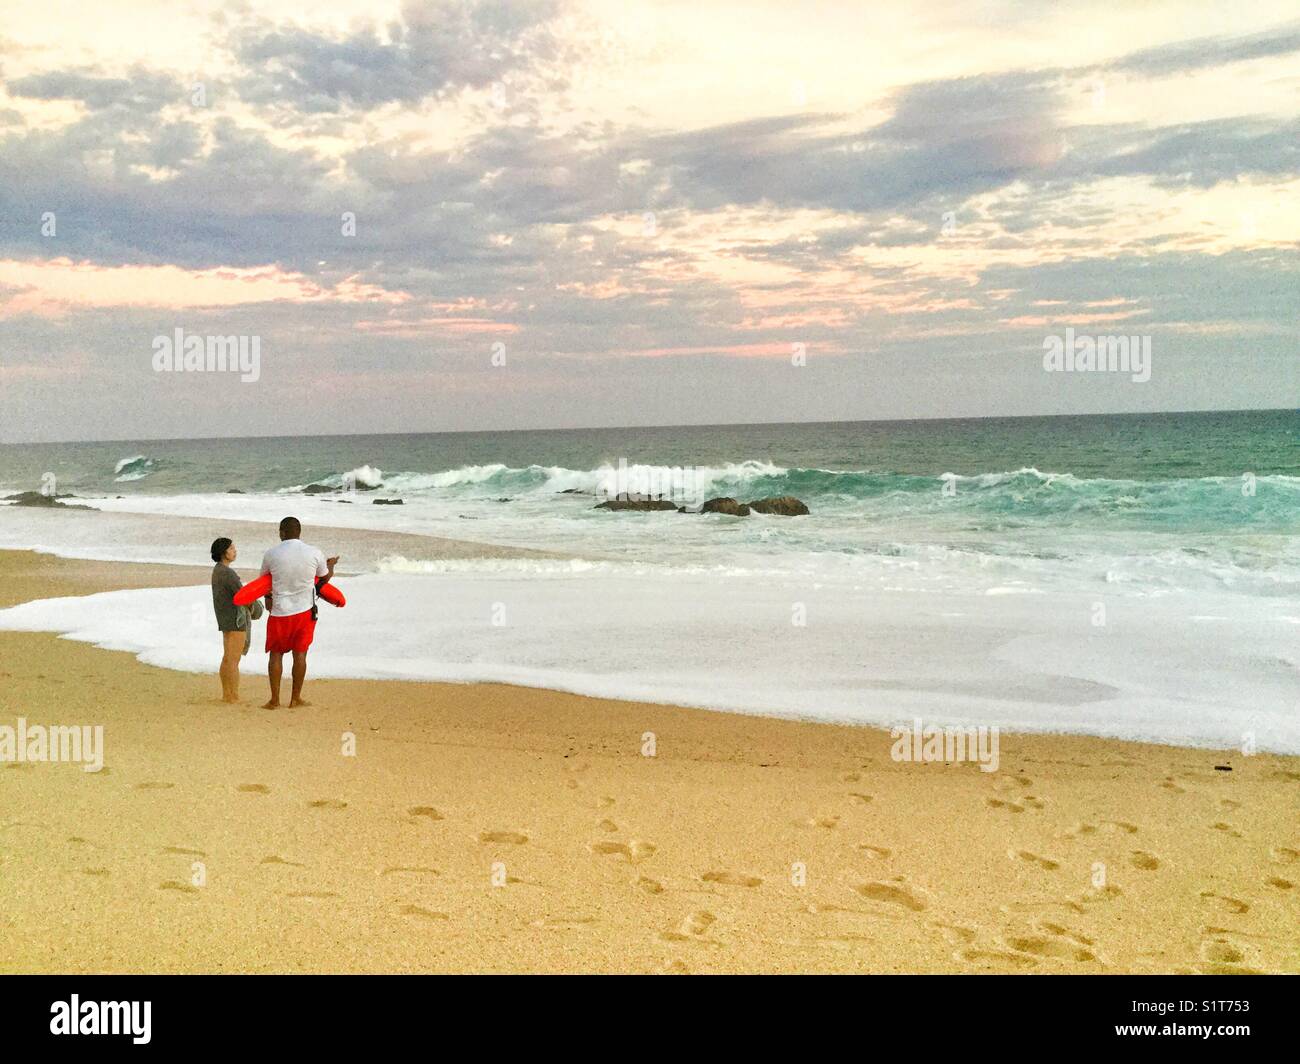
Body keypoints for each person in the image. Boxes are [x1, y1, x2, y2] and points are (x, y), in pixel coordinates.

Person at [260, 517, 338, 709]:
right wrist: (332, 566)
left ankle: (274, 700)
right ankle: (295, 699)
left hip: (279, 612)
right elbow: (322, 578)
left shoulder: (271, 554)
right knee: (300, 655)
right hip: (304, 612)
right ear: (299, 532)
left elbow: (264, 582)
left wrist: (268, 600)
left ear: (281, 532)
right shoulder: (314, 552)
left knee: (276, 654)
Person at [210, 537, 258, 703]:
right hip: (235, 620)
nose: (234, 551)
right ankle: (233, 696)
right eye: (231, 548)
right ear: (224, 553)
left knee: (227, 658)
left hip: (225, 618)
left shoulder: (218, 570)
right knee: (233, 660)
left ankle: (227, 694)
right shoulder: (228, 573)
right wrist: (257, 608)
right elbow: (243, 596)